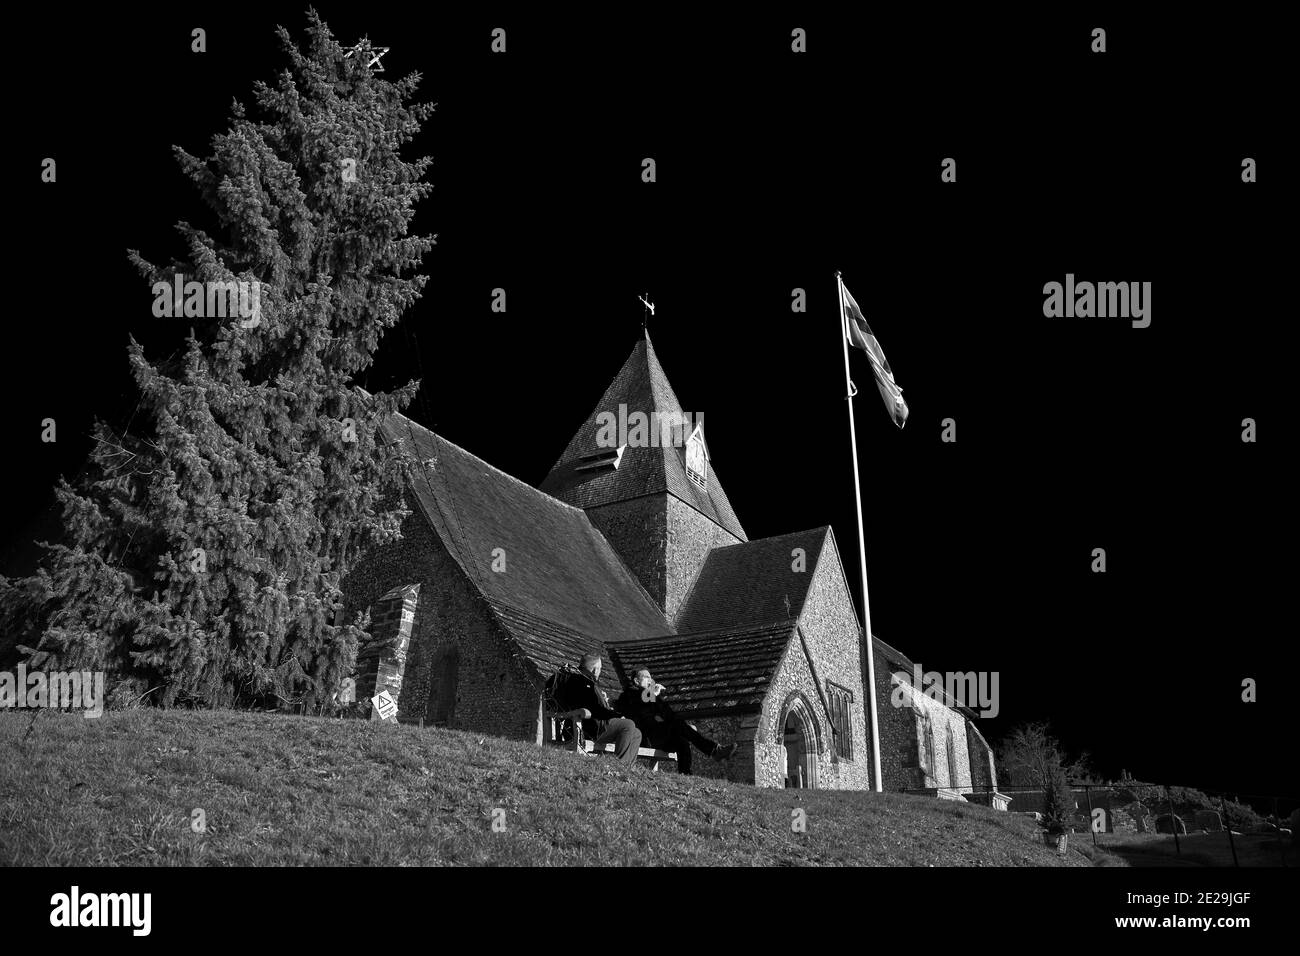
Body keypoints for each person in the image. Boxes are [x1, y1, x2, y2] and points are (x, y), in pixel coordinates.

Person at [615, 668, 737, 775]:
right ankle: (715, 751)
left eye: (651, 678)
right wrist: (653, 694)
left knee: (681, 742)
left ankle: (686, 773)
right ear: (636, 681)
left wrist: (654, 695)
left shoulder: (645, 694)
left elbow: (665, 713)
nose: (651, 681)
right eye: (647, 677)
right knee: (679, 725)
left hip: (657, 736)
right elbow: (650, 711)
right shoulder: (630, 694)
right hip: (645, 738)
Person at [547, 652, 642, 765]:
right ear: (595, 670)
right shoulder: (583, 681)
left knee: (636, 733)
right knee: (628, 725)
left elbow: (589, 705)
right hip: (585, 728)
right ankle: (619, 766)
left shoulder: (579, 680)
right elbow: (594, 709)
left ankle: (626, 768)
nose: (600, 672)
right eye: (600, 669)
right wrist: (616, 715)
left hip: (586, 725)